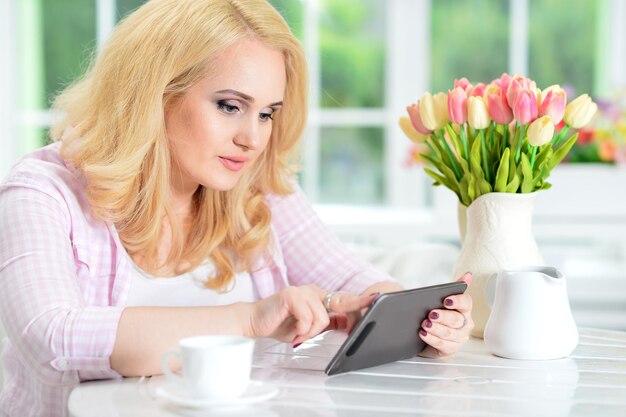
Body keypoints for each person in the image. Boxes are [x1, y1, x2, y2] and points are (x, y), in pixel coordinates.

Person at [0, 0, 474, 416]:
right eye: (230, 105)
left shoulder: (257, 186)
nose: (252, 138)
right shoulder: (43, 190)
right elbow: (51, 337)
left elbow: (357, 285)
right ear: (154, 93)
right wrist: (249, 320)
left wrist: (424, 324)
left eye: (268, 112)